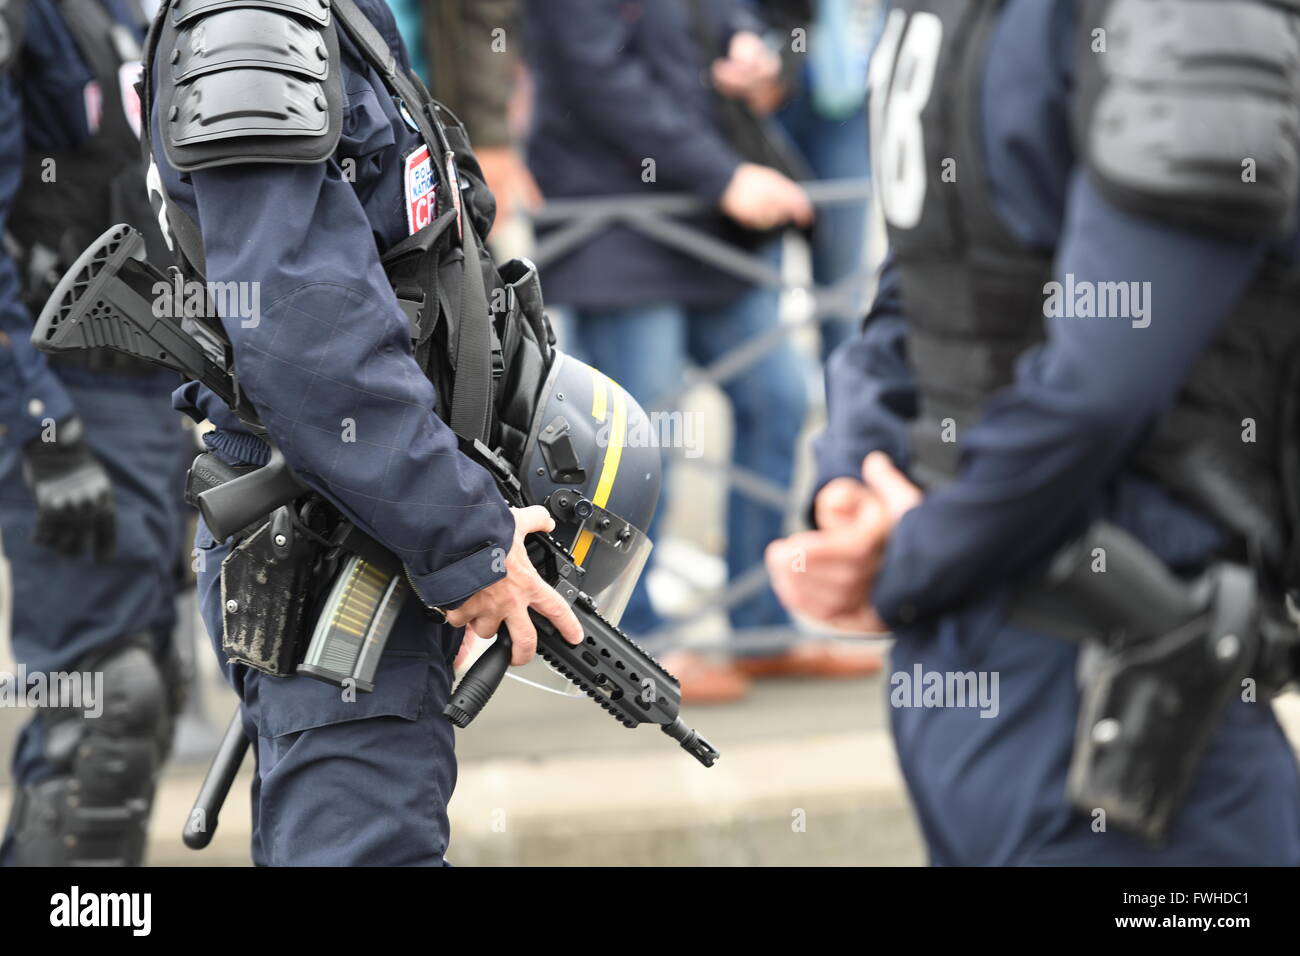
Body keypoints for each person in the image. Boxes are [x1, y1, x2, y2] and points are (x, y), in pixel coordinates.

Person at [768, 0, 1300, 863]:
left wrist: (859, 500)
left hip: (987, 671)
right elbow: (1094, 382)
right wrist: (889, 537)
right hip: (1119, 687)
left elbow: (915, 299)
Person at [143, 0, 583, 864]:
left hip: (377, 517)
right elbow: (311, 339)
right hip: (333, 535)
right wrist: (463, 538)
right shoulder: (251, 22)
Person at [525, 0, 878, 703]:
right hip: (621, 219)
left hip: (706, 224)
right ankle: (633, 643)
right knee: (637, 440)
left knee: (777, 399)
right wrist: (724, 176)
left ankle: (762, 625)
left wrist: (747, 43)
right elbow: (602, 82)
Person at [0, 0, 188, 866]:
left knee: (145, 690)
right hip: (64, 394)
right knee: (99, 712)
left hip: (160, 388)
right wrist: (40, 426)